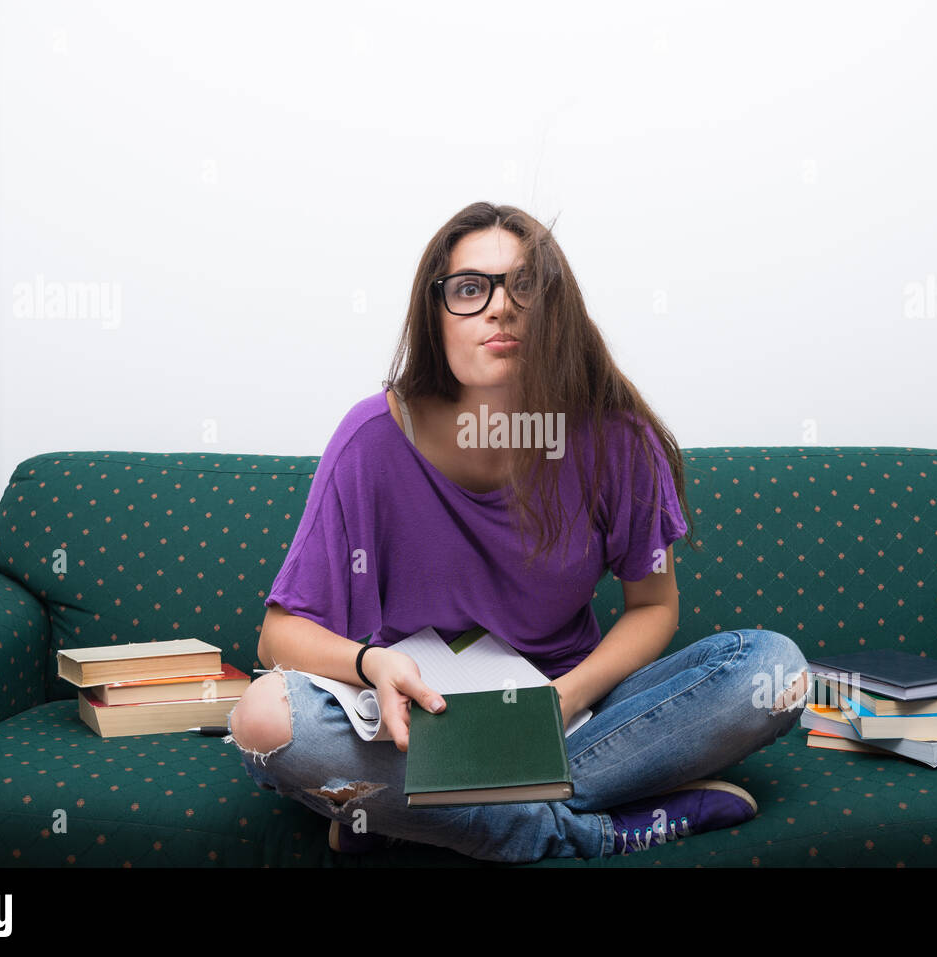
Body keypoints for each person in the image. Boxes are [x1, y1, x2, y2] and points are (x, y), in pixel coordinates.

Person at [225, 202, 810, 863]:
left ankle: (406, 816)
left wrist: (562, 699)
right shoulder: (372, 439)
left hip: (573, 716)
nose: (499, 307)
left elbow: (654, 606)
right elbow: (278, 635)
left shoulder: (615, 438)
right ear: (435, 313)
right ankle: (584, 830)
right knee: (263, 721)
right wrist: (374, 664)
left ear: (553, 309)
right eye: (470, 288)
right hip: (419, 722)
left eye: (523, 285)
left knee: (775, 670)